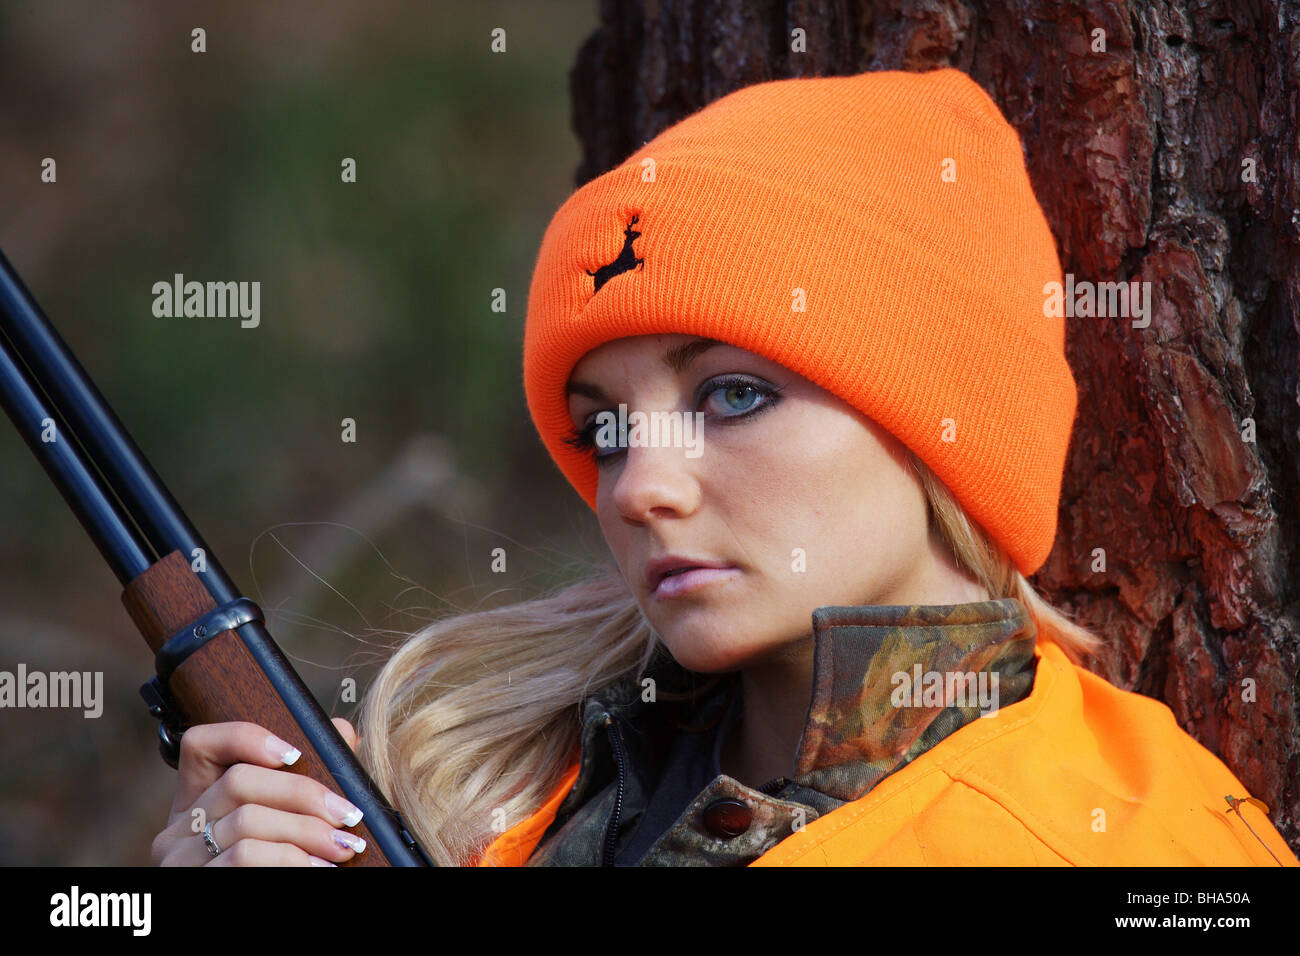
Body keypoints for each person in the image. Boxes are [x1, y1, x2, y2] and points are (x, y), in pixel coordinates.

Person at [151, 67, 1298, 867]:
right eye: (603, 425)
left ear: (932, 424)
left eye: (732, 395)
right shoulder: (483, 789)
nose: (640, 487)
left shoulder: (1121, 843)